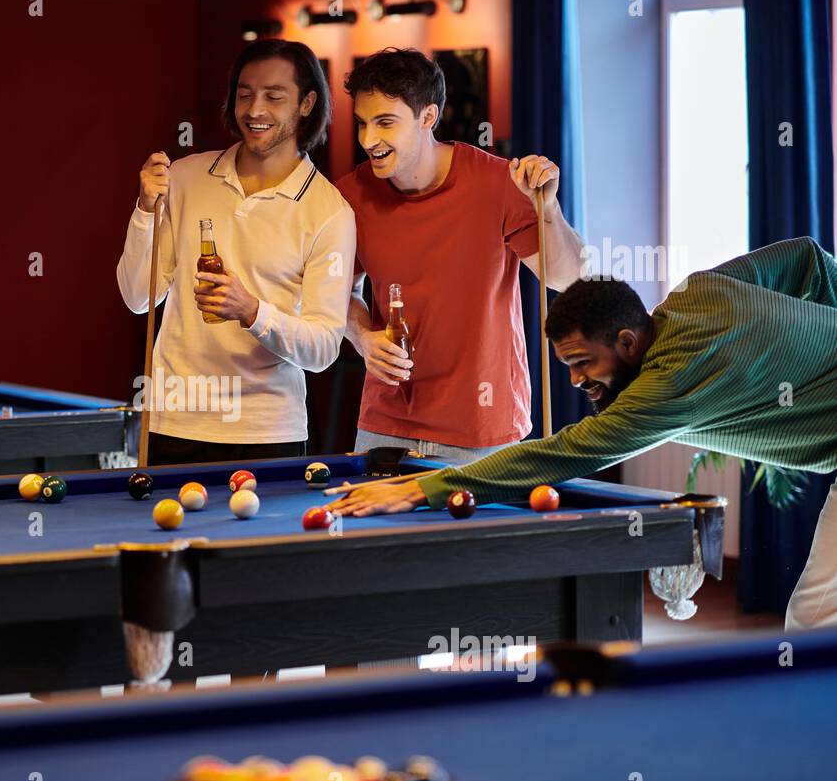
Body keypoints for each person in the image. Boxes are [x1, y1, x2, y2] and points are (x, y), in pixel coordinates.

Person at [330, 237, 837, 630]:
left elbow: (565, 453)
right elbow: (807, 260)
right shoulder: (699, 295)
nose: (576, 380)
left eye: (582, 363)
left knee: (816, 621)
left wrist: (424, 488)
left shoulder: (674, 377)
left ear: (627, 341)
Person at [336, 48, 587, 465]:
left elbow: (569, 276)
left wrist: (549, 210)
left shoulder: (498, 182)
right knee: (375, 532)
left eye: (385, 123)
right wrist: (362, 337)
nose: (367, 140)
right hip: (386, 423)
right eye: (362, 123)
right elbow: (336, 292)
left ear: (428, 117)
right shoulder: (351, 195)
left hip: (482, 424)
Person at [117, 39, 356, 465]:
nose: (254, 110)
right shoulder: (185, 178)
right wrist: (143, 211)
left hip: (267, 430)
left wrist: (252, 311)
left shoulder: (329, 211)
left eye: (273, 96)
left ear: (307, 104)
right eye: (244, 94)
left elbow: (322, 350)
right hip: (174, 420)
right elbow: (138, 297)